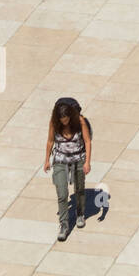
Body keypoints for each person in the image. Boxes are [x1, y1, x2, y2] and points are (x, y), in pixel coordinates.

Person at [43, 97, 91, 242]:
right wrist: (46, 160)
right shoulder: (54, 123)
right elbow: (50, 141)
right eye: (62, 119)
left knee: (79, 189)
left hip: (78, 159)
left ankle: (80, 213)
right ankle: (64, 225)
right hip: (60, 160)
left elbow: (88, 141)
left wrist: (87, 162)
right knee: (62, 193)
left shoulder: (80, 121)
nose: (64, 122)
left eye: (66, 119)